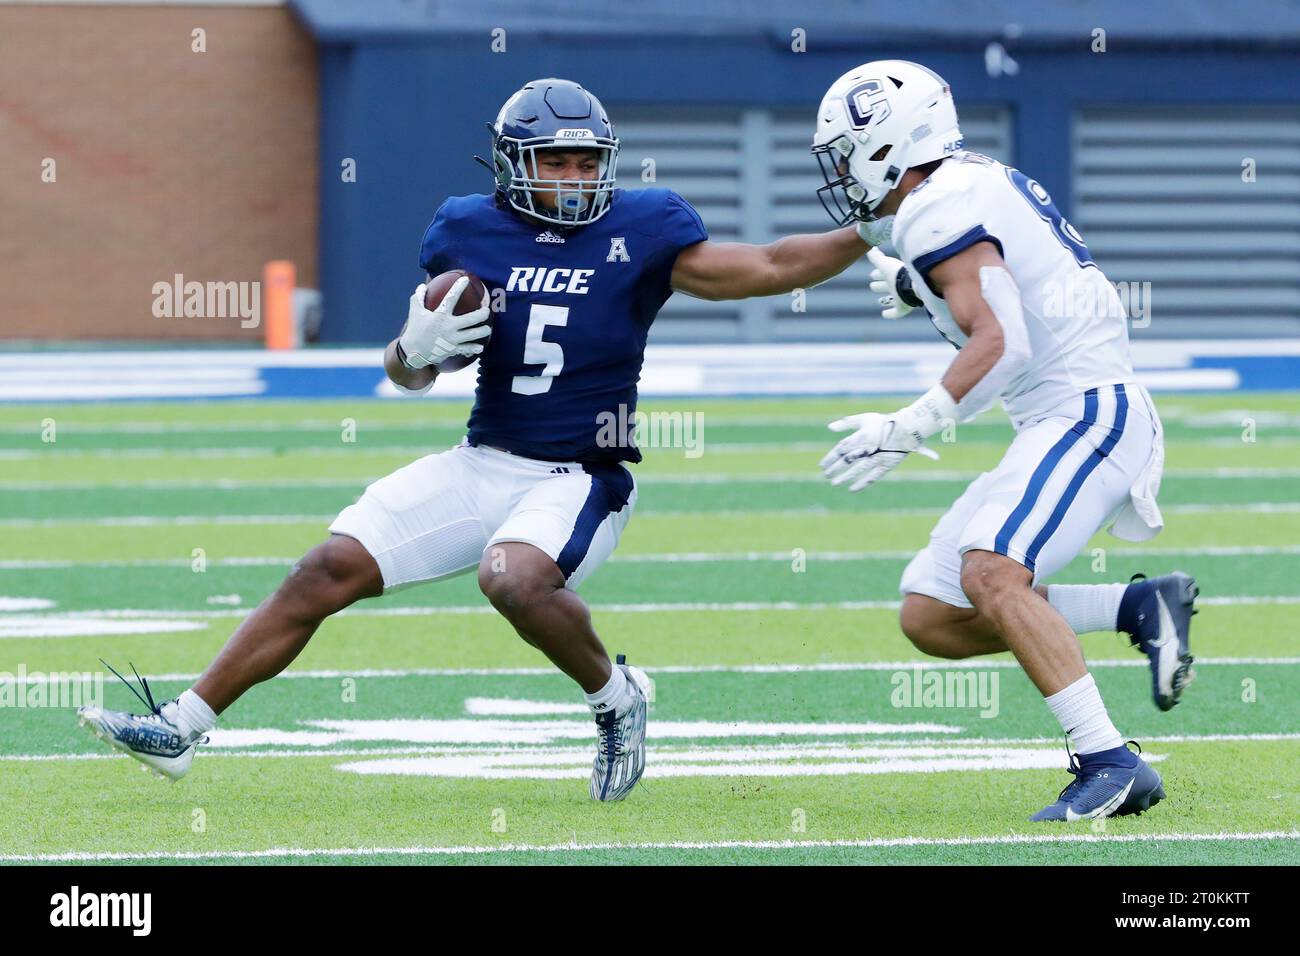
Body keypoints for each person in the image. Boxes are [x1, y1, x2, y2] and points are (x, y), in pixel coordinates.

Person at [79, 77, 873, 802]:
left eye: (586, 162)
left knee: (511, 578)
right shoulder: (466, 231)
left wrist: (877, 227)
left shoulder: (645, 227)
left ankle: (616, 697)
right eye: (554, 162)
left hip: (580, 476)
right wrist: (411, 353)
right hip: (482, 461)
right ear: (512, 164)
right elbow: (409, 372)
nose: (573, 178)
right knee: (327, 567)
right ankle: (182, 726)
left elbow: (771, 263)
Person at [811, 60, 1197, 821]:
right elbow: (1003, 278)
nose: (841, 167)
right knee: (933, 614)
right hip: (1060, 416)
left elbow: (1004, 342)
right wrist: (910, 282)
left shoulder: (937, 208)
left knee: (991, 571)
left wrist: (907, 425)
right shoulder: (960, 184)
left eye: (845, 148)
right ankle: (1137, 606)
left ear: (885, 141)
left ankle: (1109, 761)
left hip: (1088, 411)